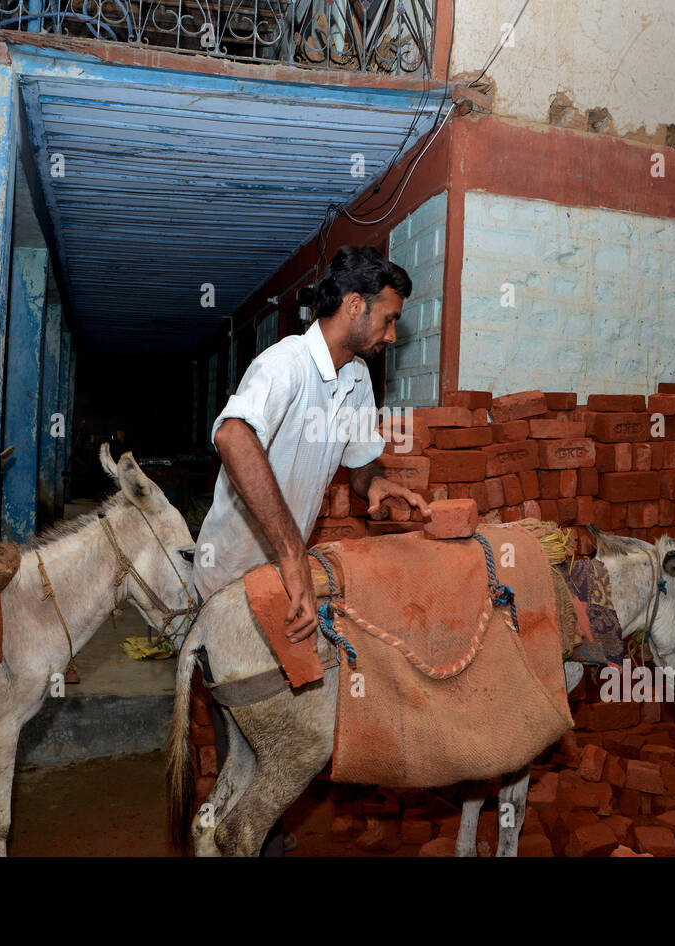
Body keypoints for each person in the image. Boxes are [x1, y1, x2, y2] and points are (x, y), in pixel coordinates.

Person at [193, 245, 431, 854]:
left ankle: (254, 824)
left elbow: (358, 462)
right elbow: (233, 435)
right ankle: (240, 831)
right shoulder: (286, 366)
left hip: (280, 573)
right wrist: (294, 553)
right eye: (388, 317)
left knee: (285, 718)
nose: (392, 331)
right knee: (249, 728)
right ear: (355, 306)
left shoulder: (354, 379)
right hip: (235, 574)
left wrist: (378, 485)